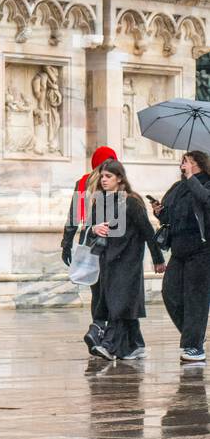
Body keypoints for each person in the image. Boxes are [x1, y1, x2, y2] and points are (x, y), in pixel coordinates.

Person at [88, 159, 165, 361]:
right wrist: (94, 229)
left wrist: (158, 259)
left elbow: (148, 232)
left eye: (108, 176)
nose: (103, 180)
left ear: (119, 178)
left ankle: (109, 345)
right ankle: (135, 346)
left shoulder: (131, 201)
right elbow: (90, 229)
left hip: (128, 262)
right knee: (119, 303)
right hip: (107, 261)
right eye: (102, 176)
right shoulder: (101, 201)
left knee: (118, 303)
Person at [153, 151, 210, 363]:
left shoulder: (205, 185)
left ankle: (194, 346)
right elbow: (170, 215)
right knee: (170, 293)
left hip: (202, 250)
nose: (182, 165)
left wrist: (191, 180)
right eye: (182, 161)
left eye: (187, 161)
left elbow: (206, 202)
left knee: (196, 299)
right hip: (178, 249)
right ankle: (194, 336)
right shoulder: (178, 188)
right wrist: (159, 211)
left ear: (199, 164)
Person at [61, 145, 117, 354]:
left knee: (97, 289)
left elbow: (73, 217)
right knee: (111, 291)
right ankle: (105, 334)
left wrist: (66, 243)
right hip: (112, 244)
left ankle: (97, 329)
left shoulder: (83, 182)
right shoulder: (113, 182)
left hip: (90, 242)